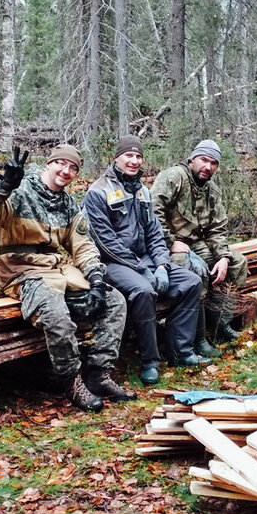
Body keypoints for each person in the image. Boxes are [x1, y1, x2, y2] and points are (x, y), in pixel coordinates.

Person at [0, 144, 133, 411]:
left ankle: (100, 374)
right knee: (55, 314)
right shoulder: (20, 191)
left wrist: (96, 280)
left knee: (114, 301)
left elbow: (83, 245)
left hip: (57, 270)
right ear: (49, 164)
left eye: (73, 168)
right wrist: (3, 186)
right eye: (61, 164)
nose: (66, 171)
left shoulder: (68, 203)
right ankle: (72, 382)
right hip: (21, 271)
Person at [82, 135, 211, 386]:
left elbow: (154, 233)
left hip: (146, 259)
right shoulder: (98, 192)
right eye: (129, 155)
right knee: (143, 291)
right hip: (112, 262)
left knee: (192, 282)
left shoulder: (142, 192)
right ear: (117, 157)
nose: (134, 161)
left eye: (138, 156)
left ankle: (181, 351)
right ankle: (150, 361)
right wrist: (143, 269)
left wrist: (162, 265)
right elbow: (106, 242)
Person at [152, 139, 249, 348]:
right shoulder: (174, 177)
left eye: (213, 163)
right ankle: (198, 338)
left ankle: (220, 323)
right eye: (204, 160)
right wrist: (170, 242)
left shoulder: (211, 189)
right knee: (196, 272)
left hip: (196, 244)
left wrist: (223, 256)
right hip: (165, 246)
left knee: (237, 262)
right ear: (192, 159)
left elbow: (217, 227)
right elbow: (152, 212)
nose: (208, 167)